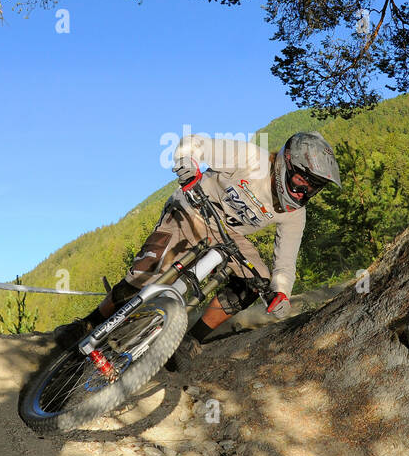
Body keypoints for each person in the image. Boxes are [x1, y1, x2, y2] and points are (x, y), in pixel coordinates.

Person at [52, 131, 341, 359]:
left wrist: (281, 293)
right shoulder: (251, 158)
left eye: (313, 186)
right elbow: (195, 143)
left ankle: (192, 340)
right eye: (303, 179)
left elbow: (285, 262)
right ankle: (88, 324)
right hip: (192, 209)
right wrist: (188, 165)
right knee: (144, 275)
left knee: (258, 281)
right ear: (286, 163)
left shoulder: (295, 213)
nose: (304, 191)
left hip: (228, 236)